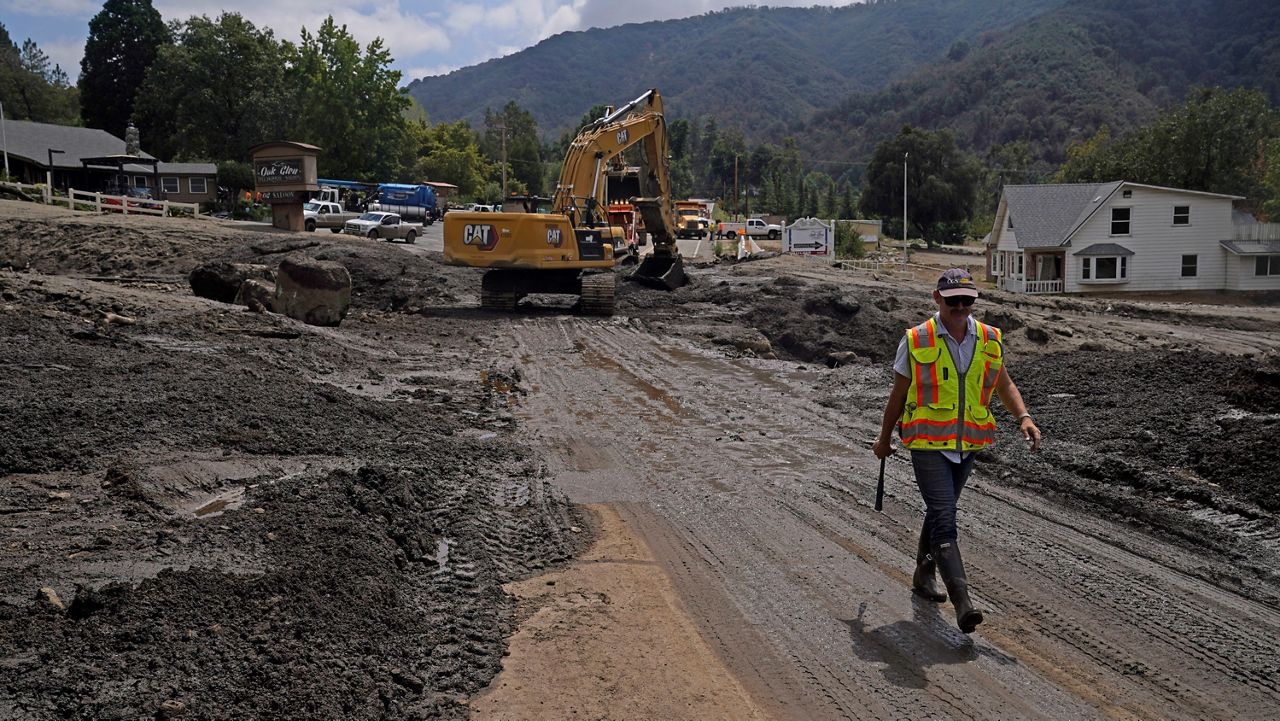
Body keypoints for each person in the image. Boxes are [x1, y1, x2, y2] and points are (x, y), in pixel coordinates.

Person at [871, 268, 1041, 633]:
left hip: (968, 445)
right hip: (927, 443)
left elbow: (1003, 384)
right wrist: (884, 438)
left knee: (939, 511)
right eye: (953, 301)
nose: (961, 307)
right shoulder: (916, 340)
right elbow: (898, 395)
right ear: (937, 299)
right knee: (945, 517)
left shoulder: (989, 339)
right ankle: (964, 602)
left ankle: (923, 573)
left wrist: (1023, 417)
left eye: (967, 301)